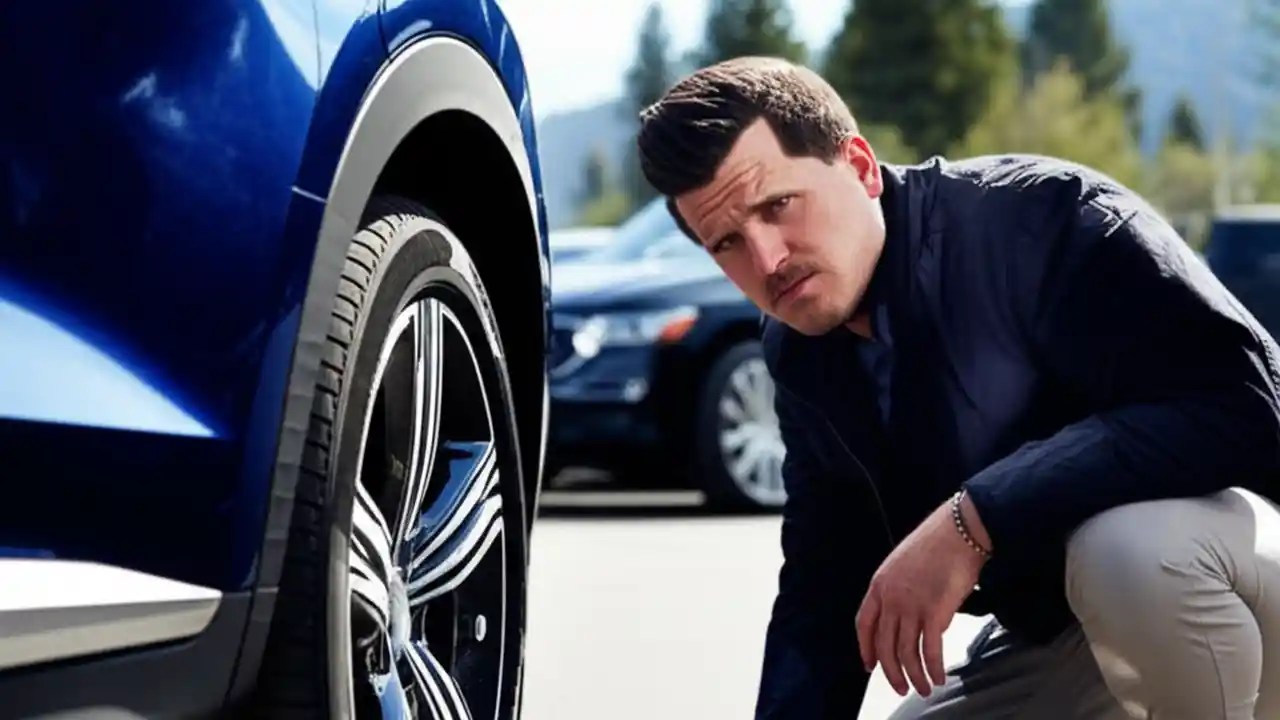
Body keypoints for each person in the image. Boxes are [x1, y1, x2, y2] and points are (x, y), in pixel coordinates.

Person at [635, 55, 1280, 719]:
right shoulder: (801, 352)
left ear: (857, 166)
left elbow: (1250, 405)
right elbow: (821, 592)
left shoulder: (1045, 218)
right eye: (728, 243)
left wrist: (974, 518)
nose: (766, 260)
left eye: (779, 206)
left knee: (1130, 552)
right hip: (1066, 639)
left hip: (1242, 584)